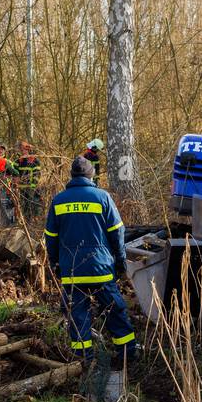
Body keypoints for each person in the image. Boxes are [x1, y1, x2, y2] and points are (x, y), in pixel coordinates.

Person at [45, 155, 137, 364]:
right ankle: (127, 353)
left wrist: (56, 263)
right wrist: (121, 261)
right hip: (101, 268)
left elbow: (50, 237)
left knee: (77, 316)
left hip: (72, 269)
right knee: (115, 309)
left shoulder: (59, 200)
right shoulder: (102, 197)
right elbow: (117, 233)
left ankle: (82, 359)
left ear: (72, 175)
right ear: (91, 175)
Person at [16, 142, 43, 221]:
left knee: (31, 204)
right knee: (23, 205)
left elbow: (37, 174)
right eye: (21, 150)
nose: (22, 151)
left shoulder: (35, 160)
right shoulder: (20, 160)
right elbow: (14, 170)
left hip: (31, 187)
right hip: (22, 187)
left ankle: (31, 220)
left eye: (23, 150)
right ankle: (25, 220)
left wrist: (33, 185)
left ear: (28, 150)